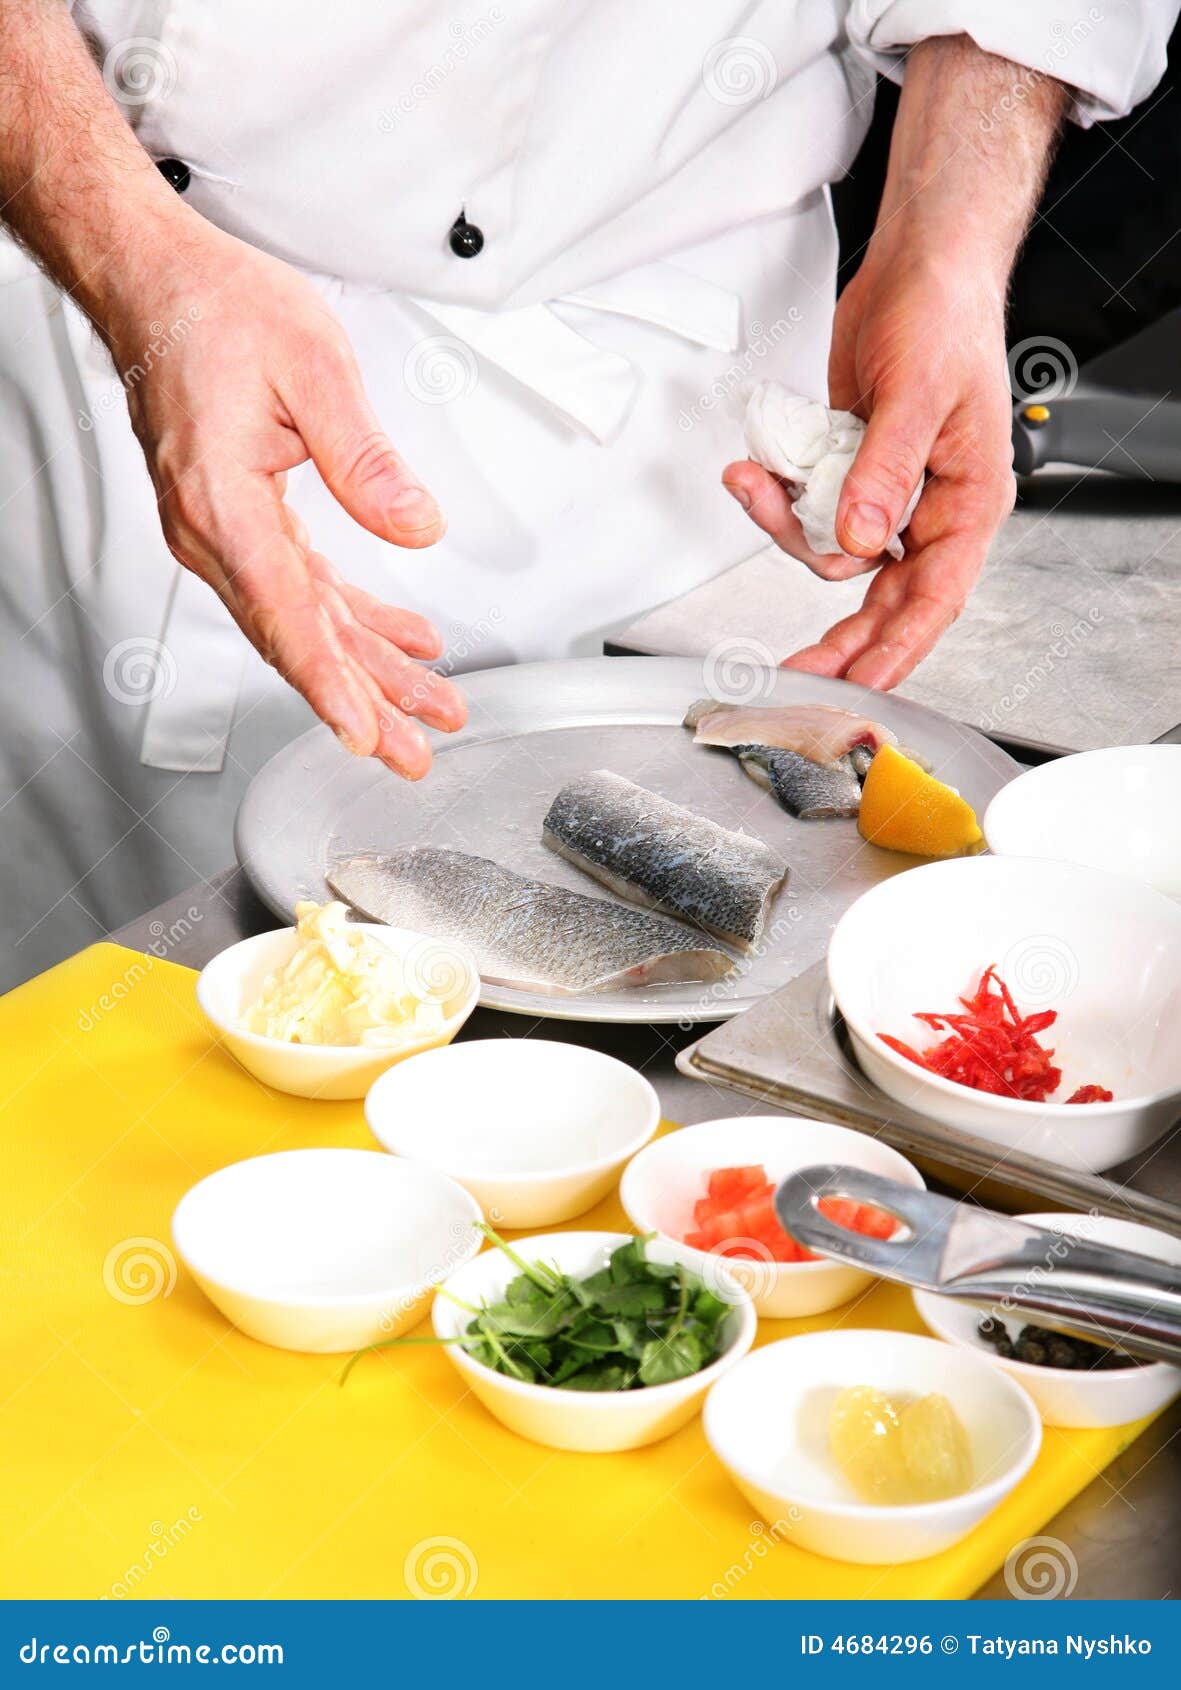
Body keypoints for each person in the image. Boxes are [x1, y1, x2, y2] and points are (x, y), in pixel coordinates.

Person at [0, 2, 1174, 986]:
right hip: (127, 329)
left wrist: (944, 245)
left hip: (687, 422)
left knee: (680, 1055)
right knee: (123, 1051)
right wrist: (130, 255)